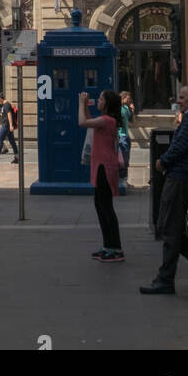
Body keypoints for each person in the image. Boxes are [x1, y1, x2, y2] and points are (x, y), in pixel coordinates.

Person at [140, 84, 188, 295]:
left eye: (183, 97)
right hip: (182, 175)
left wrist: (163, 162)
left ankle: (167, 278)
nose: (179, 100)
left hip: (180, 176)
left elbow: (180, 145)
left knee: (169, 227)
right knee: (171, 228)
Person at [79, 88, 124, 262]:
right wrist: (86, 106)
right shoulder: (105, 120)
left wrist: (81, 104)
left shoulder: (107, 120)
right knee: (100, 207)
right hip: (100, 167)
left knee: (106, 208)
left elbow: (82, 122)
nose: (97, 101)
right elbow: (89, 120)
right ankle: (108, 246)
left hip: (105, 167)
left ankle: (116, 248)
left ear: (107, 103)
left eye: (100, 99)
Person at [0, 93, 19, 163]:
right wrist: (0, 115)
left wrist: (11, 125)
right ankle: (17, 157)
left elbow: (9, 114)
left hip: (6, 125)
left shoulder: (6, 104)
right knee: (12, 141)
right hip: (7, 125)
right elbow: (6, 114)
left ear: (0, 99)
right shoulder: (6, 104)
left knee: (0, 138)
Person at [119, 91, 136, 184]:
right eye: (128, 98)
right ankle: (122, 179)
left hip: (126, 135)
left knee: (126, 159)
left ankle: (125, 179)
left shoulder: (126, 108)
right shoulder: (118, 108)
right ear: (123, 98)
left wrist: (132, 110)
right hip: (121, 136)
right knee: (123, 160)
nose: (130, 100)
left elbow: (132, 121)